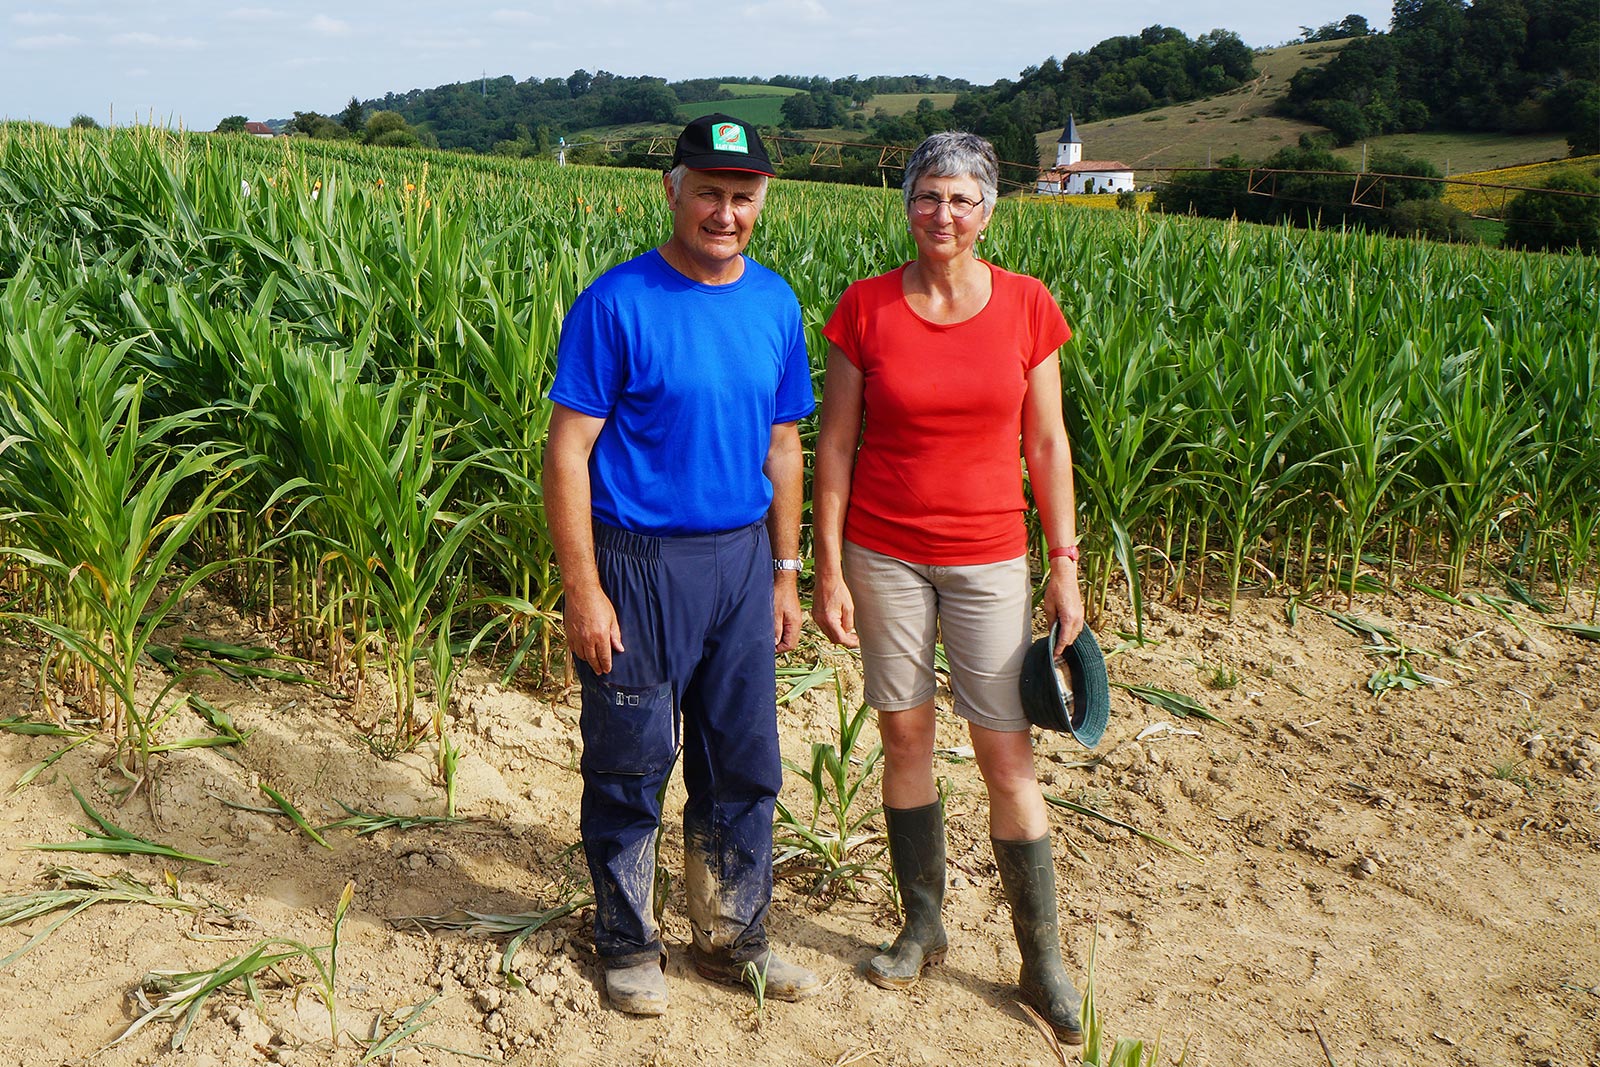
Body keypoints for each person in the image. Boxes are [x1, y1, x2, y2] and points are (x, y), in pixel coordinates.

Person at [810, 131, 1087, 1043]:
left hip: (991, 558)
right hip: (883, 554)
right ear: (907, 204)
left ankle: (1039, 955)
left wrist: (1065, 563)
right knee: (904, 735)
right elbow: (837, 446)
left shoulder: (1026, 307)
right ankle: (922, 924)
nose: (944, 214)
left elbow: (1047, 444)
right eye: (930, 195)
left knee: (1007, 755)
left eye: (963, 198)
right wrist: (827, 562)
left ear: (990, 210)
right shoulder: (864, 309)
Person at [544, 114, 820, 1017]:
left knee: (743, 758)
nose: (725, 212)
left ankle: (733, 934)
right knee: (630, 758)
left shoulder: (775, 304)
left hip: (740, 561)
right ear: (672, 189)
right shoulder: (617, 302)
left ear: (762, 202)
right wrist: (583, 589)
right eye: (709, 191)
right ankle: (627, 939)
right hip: (639, 562)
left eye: (743, 197)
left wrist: (786, 571)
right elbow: (567, 453)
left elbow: (784, 446)